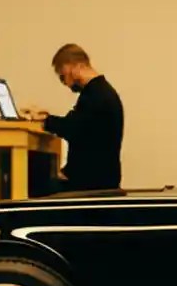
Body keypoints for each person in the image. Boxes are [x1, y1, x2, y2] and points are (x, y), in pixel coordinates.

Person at [22, 43, 124, 194]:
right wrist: (47, 118)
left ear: (76, 66)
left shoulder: (96, 96)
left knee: (30, 181)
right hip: (99, 180)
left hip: (90, 185)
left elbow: (72, 128)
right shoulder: (99, 92)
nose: (65, 83)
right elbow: (79, 127)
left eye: (63, 76)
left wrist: (45, 121)